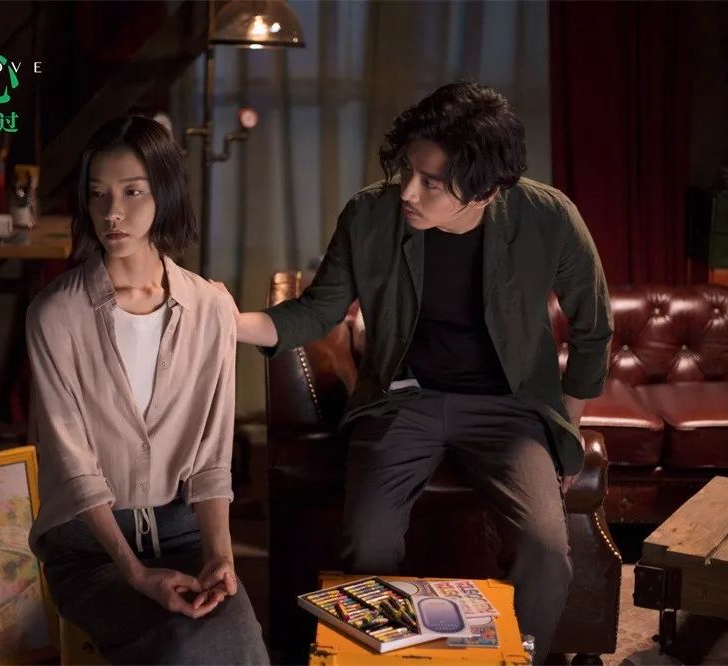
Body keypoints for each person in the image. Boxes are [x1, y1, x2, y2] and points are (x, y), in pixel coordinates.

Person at [212, 81, 613, 662]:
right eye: (407, 171)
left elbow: (593, 327)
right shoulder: (369, 214)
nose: (408, 191)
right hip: (402, 401)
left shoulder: (548, 216)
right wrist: (231, 324)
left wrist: (565, 427)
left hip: (510, 409)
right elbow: (318, 311)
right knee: (367, 542)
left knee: (547, 551)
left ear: (486, 190)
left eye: (431, 183)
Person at [26, 116, 269, 665]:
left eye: (132, 192)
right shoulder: (54, 315)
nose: (112, 212)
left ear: (165, 193)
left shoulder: (210, 308)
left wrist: (220, 556)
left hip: (184, 535)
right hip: (92, 549)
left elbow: (212, 459)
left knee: (240, 645)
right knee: (181, 644)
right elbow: (74, 467)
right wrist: (135, 573)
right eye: (98, 194)